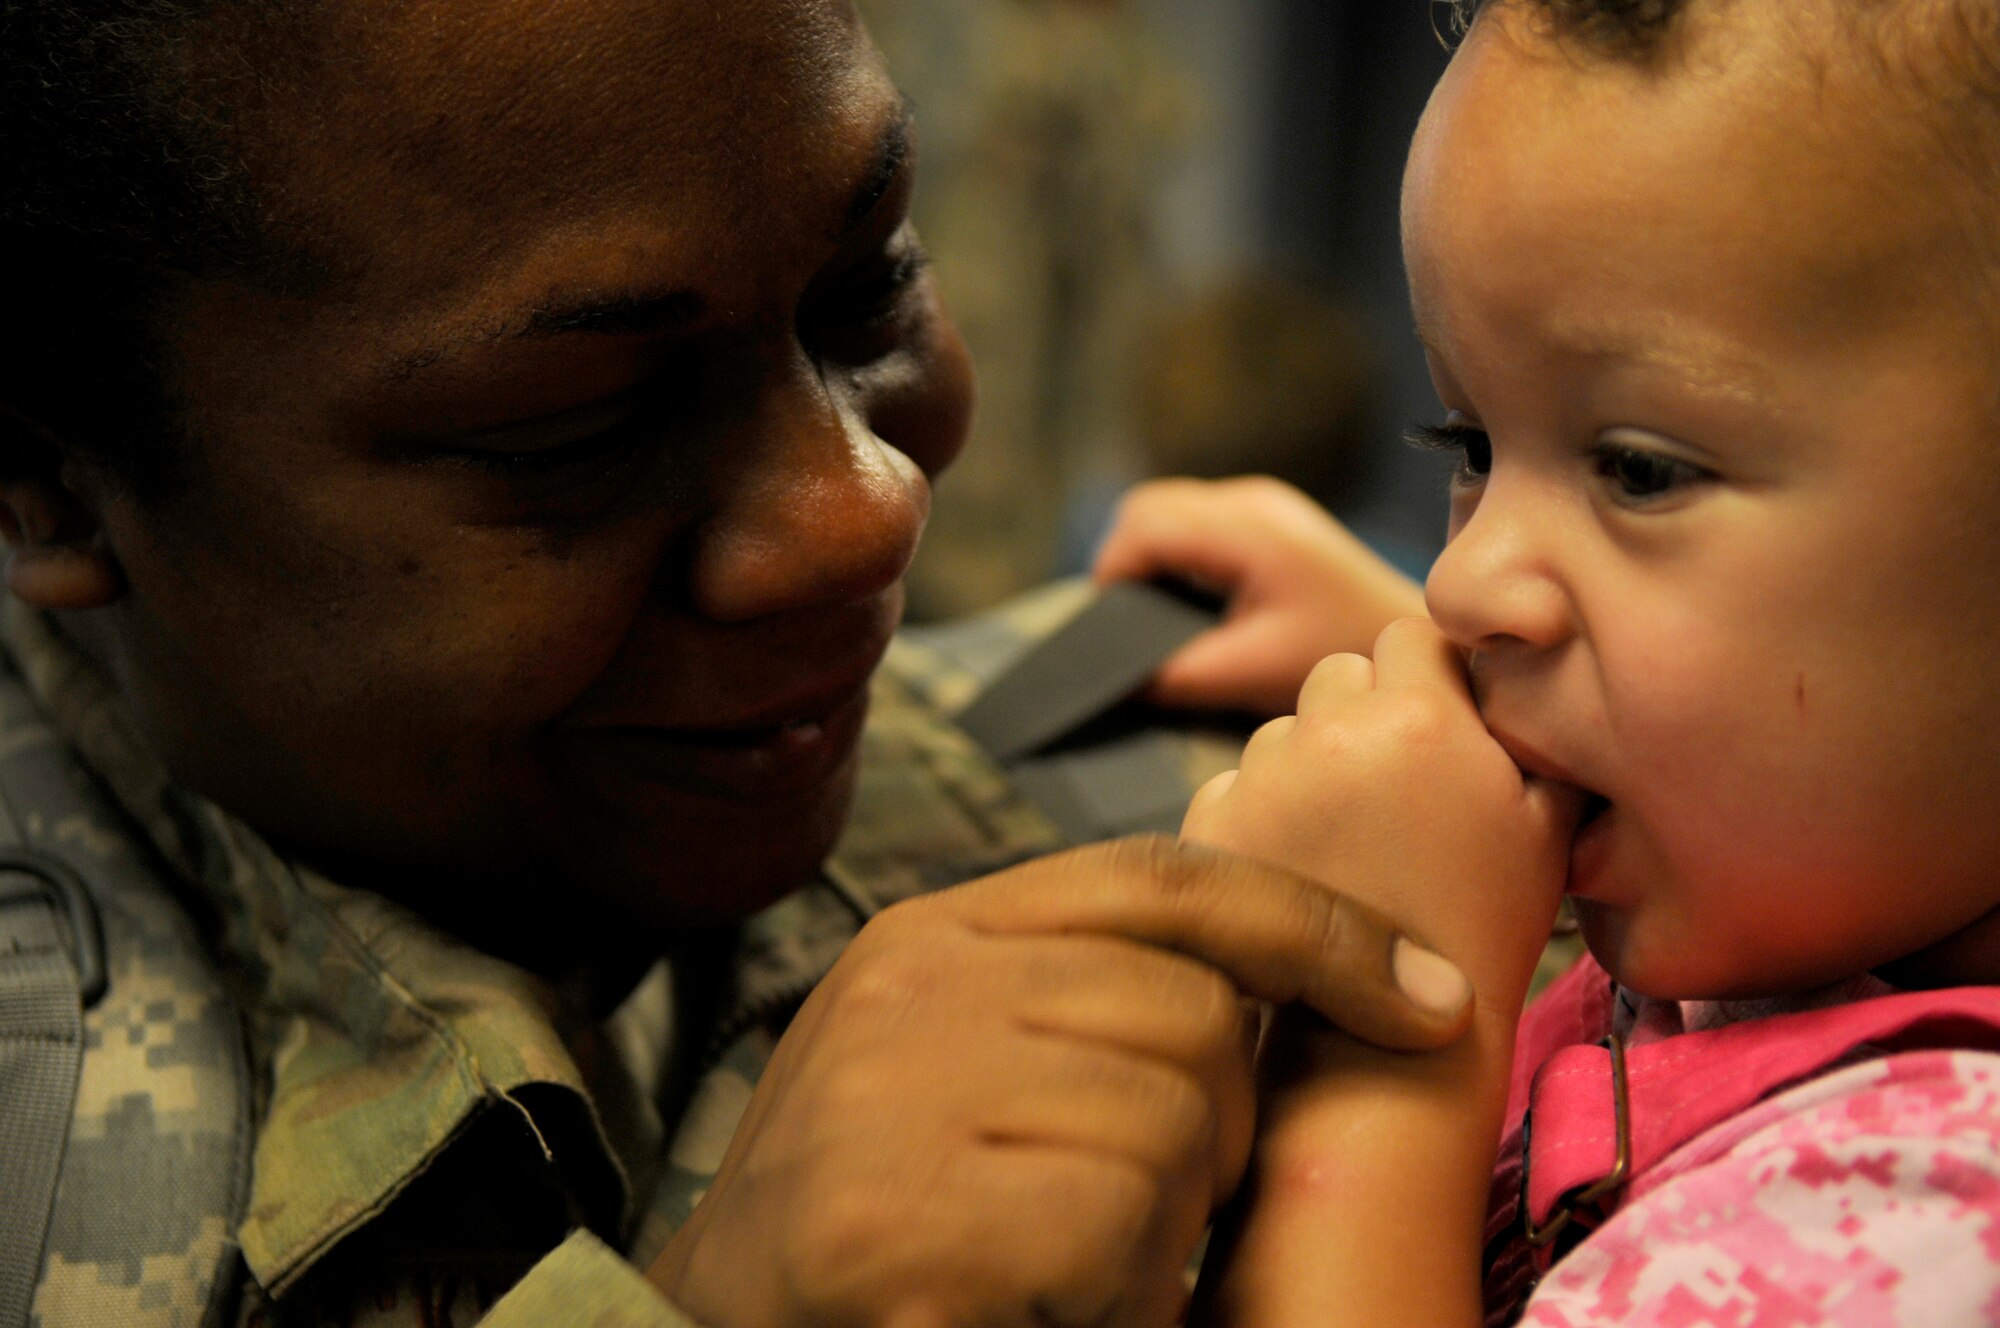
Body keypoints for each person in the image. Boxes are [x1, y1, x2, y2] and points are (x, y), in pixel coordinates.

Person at [0, 3, 1486, 1326]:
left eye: (871, 281)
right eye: (572, 427)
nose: (864, 513)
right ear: (45, 486)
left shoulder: (1271, 790)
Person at [1093, 0, 2000, 1322]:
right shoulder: (1841, 880)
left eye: (1639, 470)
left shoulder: (1932, 1218)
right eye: (1471, 445)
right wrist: (1392, 643)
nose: (1459, 587)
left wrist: (1380, 1056)